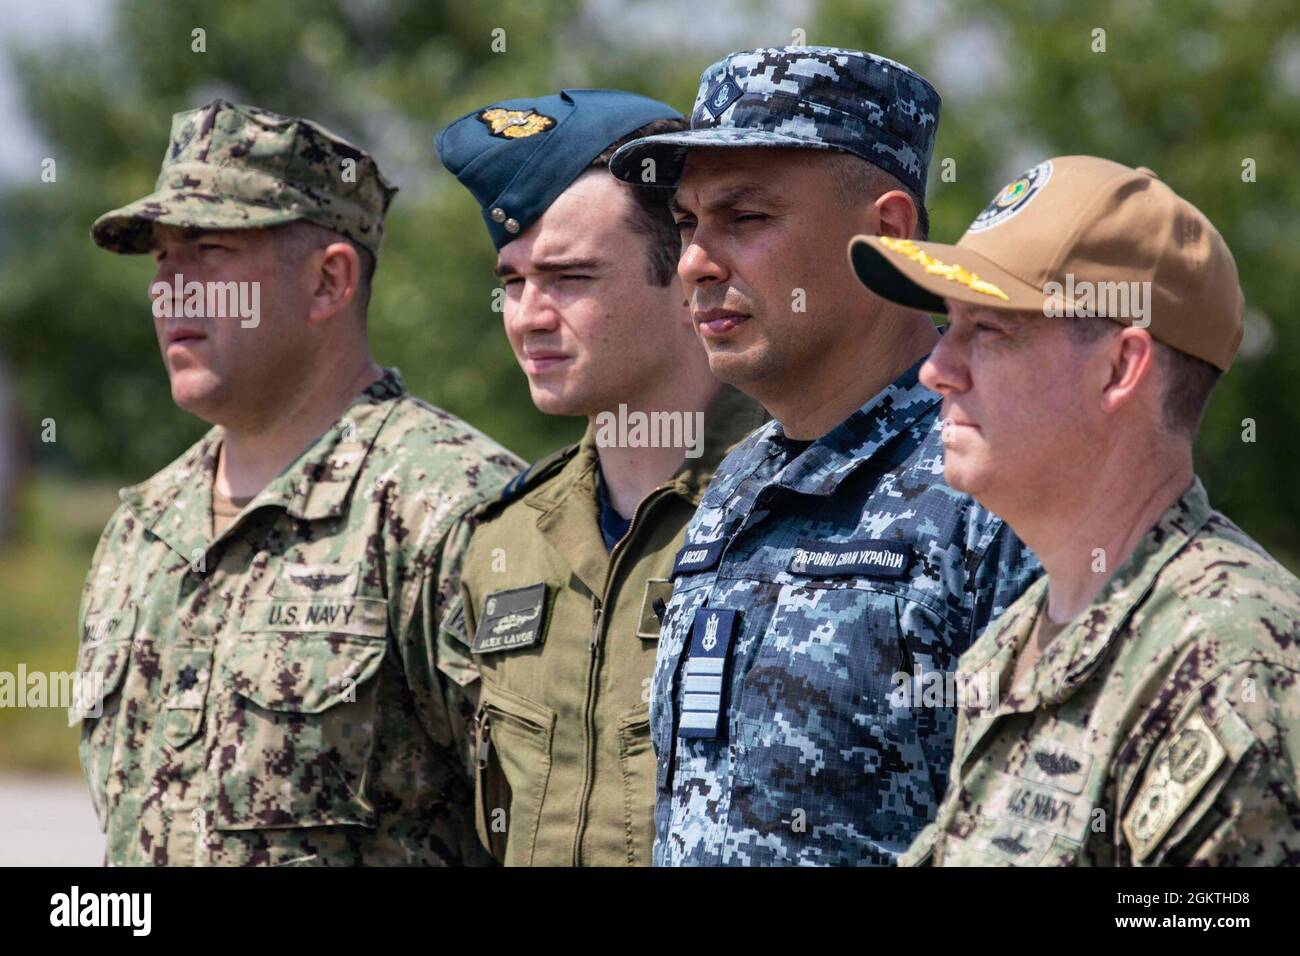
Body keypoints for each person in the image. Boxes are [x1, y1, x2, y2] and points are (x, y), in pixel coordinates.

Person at [606, 47, 1040, 866]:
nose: (696, 261)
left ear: (886, 233)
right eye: (689, 223)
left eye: (747, 219)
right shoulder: (737, 482)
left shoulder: (993, 483)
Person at [73, 99, 522, 866]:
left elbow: (550, 825)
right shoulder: (141, 530)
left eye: (209, 249)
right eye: (160, 258)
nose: (171, 286)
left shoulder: (455, 509)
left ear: (328, 283)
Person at [850, 154, 1300, 865]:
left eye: (989, 330)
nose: (937, 368)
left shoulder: (1228, 660)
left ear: (1120, 369)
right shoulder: (1014, 643)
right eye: (949, 324)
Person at [436, 90, 766, 865]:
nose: (528, 316)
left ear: (687, 276)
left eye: (571, 278)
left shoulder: (799, 510)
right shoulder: (504, 542)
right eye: (514, 282)